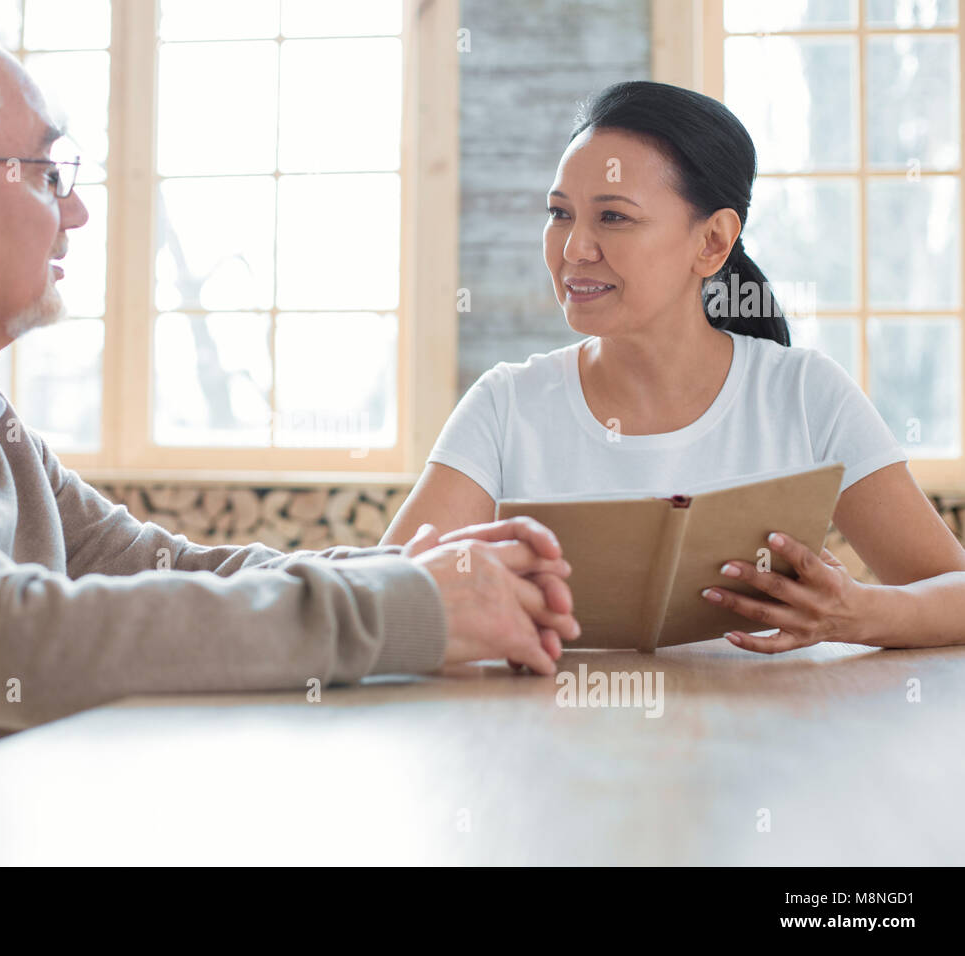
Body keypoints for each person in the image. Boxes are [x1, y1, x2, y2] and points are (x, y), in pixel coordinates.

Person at [0, 27, 577, 850]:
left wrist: (420, 577)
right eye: (50, 173)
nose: (78, 213)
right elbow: (11, 641)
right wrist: (404, 608)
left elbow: (153, 564)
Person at [385, 80, 965, 653]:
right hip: (551, 739)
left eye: (613, 217)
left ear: (712, 241)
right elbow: (381, 598)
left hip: (771, 742)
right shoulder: (505, 405)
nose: (573, 249)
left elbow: (954, 590)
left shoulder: (805, 394)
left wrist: (857, 612)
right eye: (559, 213)